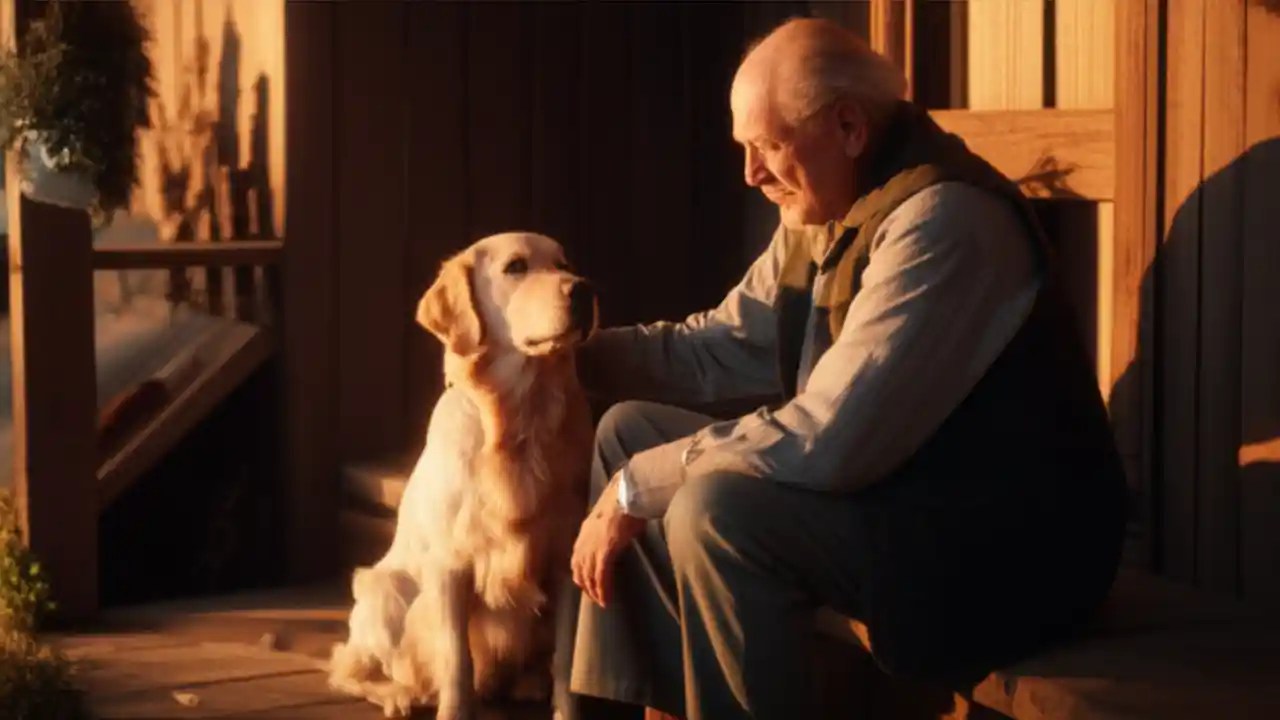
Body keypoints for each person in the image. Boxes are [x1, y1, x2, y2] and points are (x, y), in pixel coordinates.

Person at [554, 17, 1130, 720]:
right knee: (628, 434)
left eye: (767, 146)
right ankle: (648, 709)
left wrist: (636, 488)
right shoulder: (822, 205)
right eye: (745, 148)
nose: (750, 174)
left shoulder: (942, 222)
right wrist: (559, 355)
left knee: (714, 508)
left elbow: (828, 441)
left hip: (1005, 552)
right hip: (899, 499)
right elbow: (721, 346)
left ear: (850, 127)